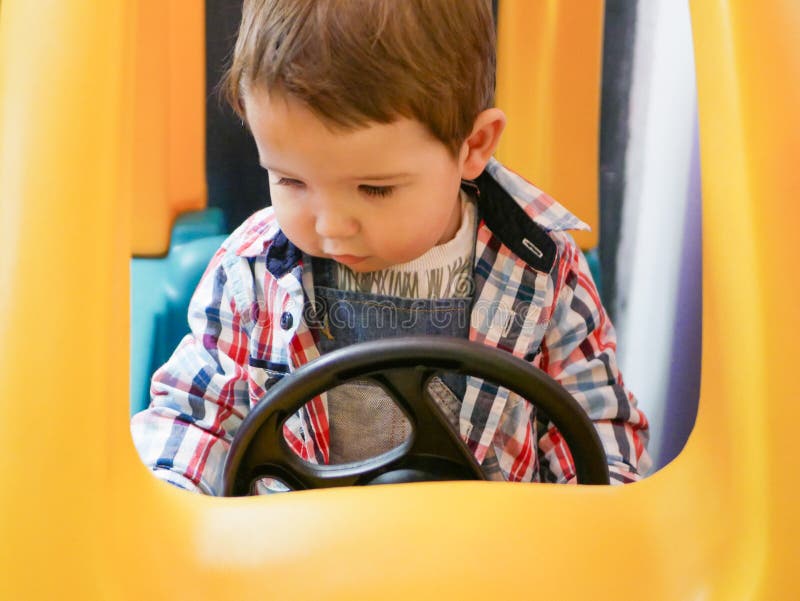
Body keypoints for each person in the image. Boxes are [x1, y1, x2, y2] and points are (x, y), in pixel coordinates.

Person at [131, 0, 651, 495]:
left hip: (482, 565)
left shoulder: (542, 273)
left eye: (375, 189)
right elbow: (195, 420)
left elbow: (597, 430)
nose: (331, 226)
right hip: (302, 565)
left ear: (473, 146)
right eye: (290, 180)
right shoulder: (250, 275)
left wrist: (596, 532)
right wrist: (173, 504)